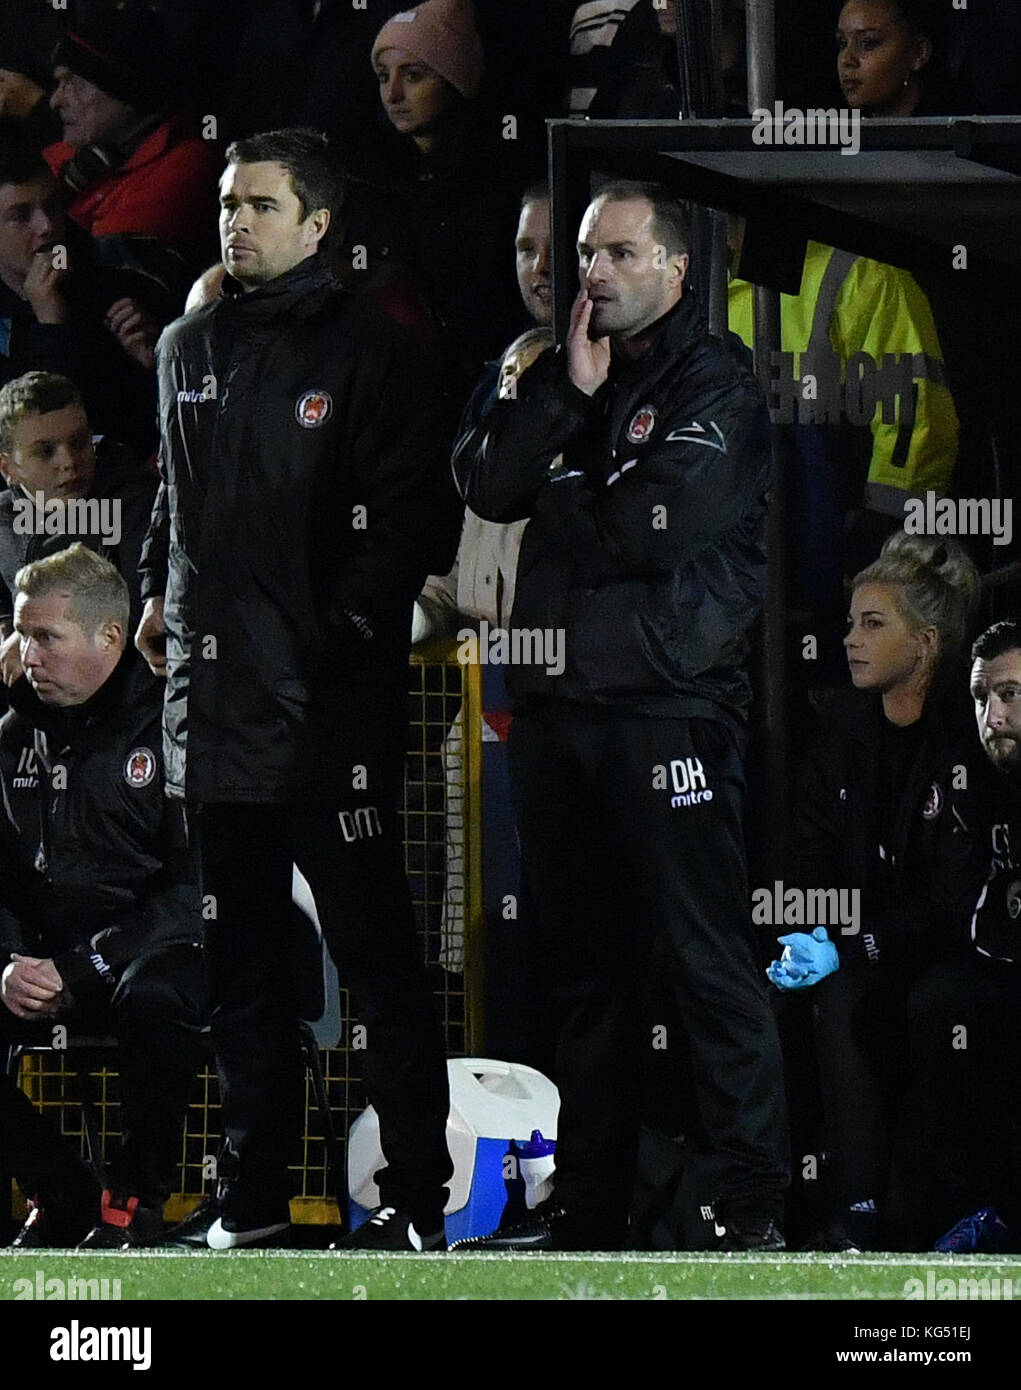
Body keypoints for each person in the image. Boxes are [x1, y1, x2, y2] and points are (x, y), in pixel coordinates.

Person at [135, 127, 460, 1251]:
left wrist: (337, 635)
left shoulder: (374, 352)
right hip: (214, 727)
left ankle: (418, 1195)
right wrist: (149, 594)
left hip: (329, 728)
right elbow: (167, 499)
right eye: (229, 203)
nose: (236, 221)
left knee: (378, 968)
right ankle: (253, 1199)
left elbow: (415, 514)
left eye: (261, 205)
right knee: (243, 976)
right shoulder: (185, 347)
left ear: (318, 226)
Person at [451, 180, 789, 1252]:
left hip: (666, 712)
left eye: (617, 252)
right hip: (554, 713)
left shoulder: (720, 387)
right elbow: (485, 483)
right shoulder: (556, 370)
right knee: (585, 976)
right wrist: (560, 405)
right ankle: (589, 1210)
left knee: (701, 959)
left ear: (676, 269)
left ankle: (750, 1205)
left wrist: (566, 487)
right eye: (583, 251)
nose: (588, 270)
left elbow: (648, 527)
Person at [770, 532, 981, 1250]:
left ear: (923, 643)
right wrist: (810, 936)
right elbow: (809, 857)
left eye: (872, 625)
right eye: (849, 623)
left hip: (952, 949)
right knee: (808, 992)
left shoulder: (968, 738)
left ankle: (950, 1211)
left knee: (929, 1003)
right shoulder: (838, 732)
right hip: (861, 946)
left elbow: (951, 897)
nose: (850, 641)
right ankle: (843, 1216)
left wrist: (854, 946)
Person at [0, 544, 205, 1249]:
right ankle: (63, 1191)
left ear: (110, 638)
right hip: (43, 954)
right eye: (20, 634)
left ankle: (134, 1199)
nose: (27, 654)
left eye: (46, 637)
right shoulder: (13, 732)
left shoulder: (173, 725)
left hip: (159, 947)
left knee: (155, 999)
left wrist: (85, 965)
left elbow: (196, 888)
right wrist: (8, 964)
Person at [902, 620, 1021, 1252]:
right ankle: (982, 1211)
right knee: (938, 1004)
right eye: (981, 699)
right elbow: (955, 901)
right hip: (997, 960)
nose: (992, 714)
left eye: (1009, 694)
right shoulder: (970, 782)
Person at [342, 0, 524, 384]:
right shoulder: (370, 182)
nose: (392, 94)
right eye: (382, 75)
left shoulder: (497, 190)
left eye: (413, 76)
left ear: (455, 81)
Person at [0, 132, 176, 456]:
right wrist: (52, 325)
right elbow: (36, 447)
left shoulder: (118, 280)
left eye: (53, 207)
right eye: (21, 216)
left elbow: (145, 426)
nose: (47, 226)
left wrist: (152, 365)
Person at [43, 1, 221, 269]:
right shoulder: (76, 154)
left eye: (75, 84)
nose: (55, 100)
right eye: (59, 83)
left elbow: (97, 265)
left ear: (128, 94)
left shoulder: (186, 168)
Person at [0, 371, 155, 635]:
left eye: (79, 443)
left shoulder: (134, 506)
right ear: (8, 469)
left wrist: (34, 633)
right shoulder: (3, 519)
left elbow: (136, 622)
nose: (69, 462)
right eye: (45, 451)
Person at [836, 0, 959, 117]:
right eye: (842, 43)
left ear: (918, 53)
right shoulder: (836, 133)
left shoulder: (959, 133)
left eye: (867, 42)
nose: (846, 60)